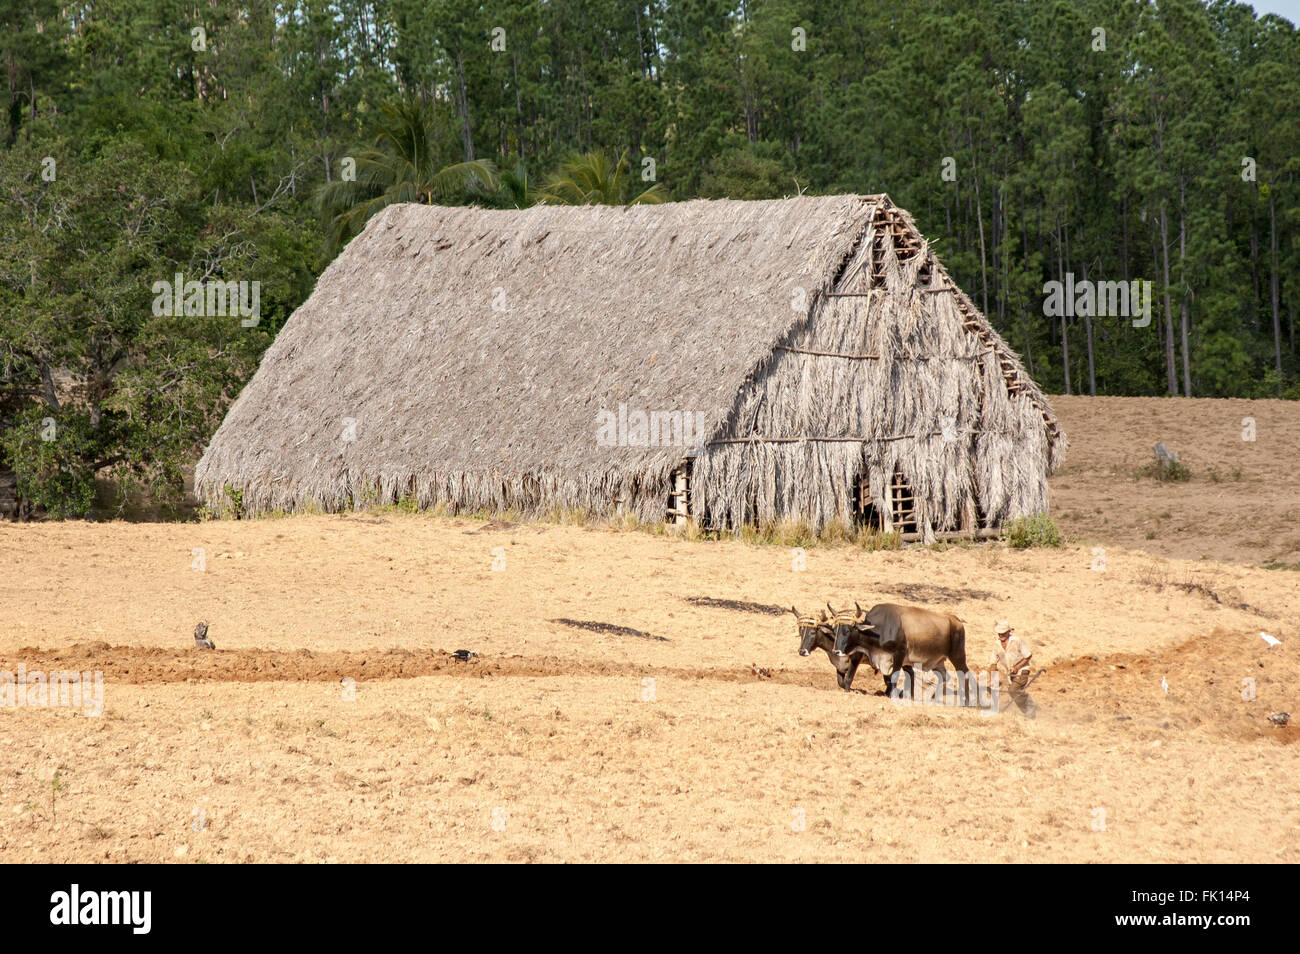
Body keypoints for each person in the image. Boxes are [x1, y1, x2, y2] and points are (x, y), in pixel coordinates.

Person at [990, 621, 1035, 714]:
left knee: (1013, 690)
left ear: (1008, 632)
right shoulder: (996, 644)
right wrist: (993, 675)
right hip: (1010, 673)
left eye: (1003, 633)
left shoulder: (1017, 640)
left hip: (1022, 670)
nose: (1001, 635)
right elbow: (993, 662)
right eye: (999, 633)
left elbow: (1028, 656)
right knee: (1015, 692)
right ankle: (1028, 709)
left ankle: (1029, 710)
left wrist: (1017, 667)